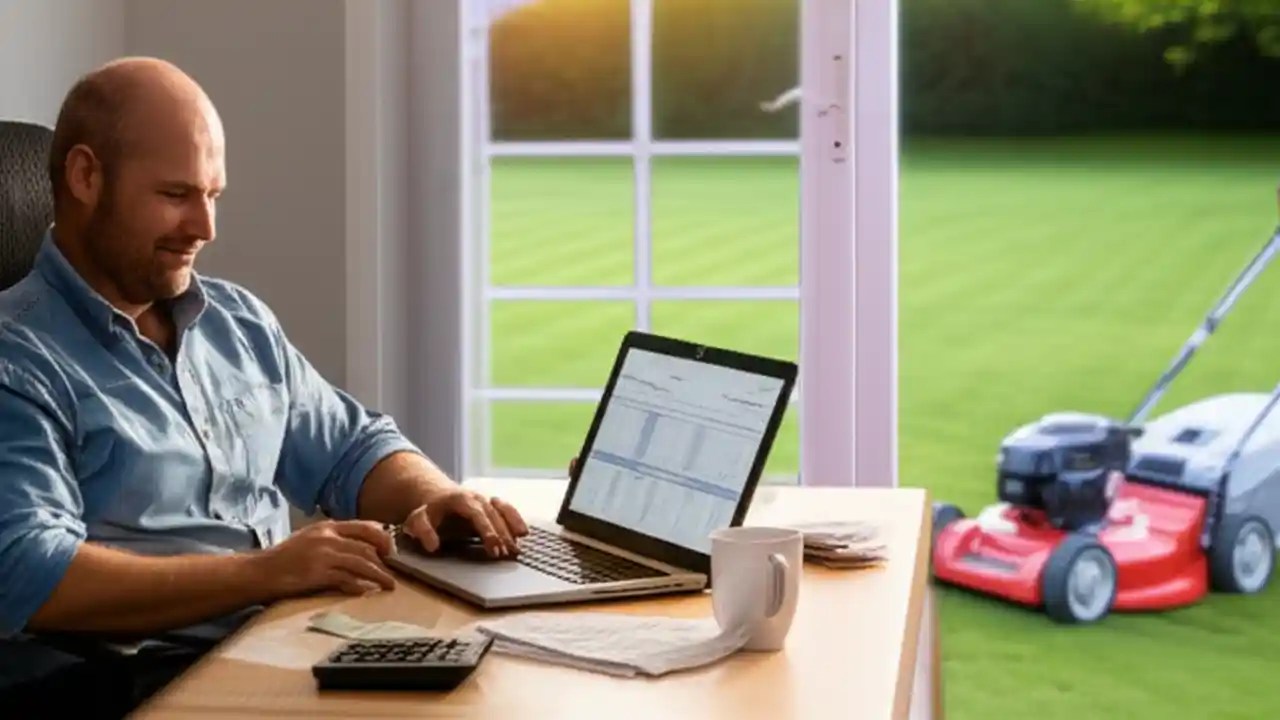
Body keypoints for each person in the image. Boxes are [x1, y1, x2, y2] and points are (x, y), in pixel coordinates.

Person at [0, 56, 528, 716]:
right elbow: (28, 571)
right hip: (140, 681)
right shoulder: (18, 356)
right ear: (85, 177)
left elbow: (351, 449)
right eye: (175, 195)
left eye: (212, 196)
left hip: (286, 637)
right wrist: (265, 573)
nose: (205, 229)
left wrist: (438, 497)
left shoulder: (236, 321)